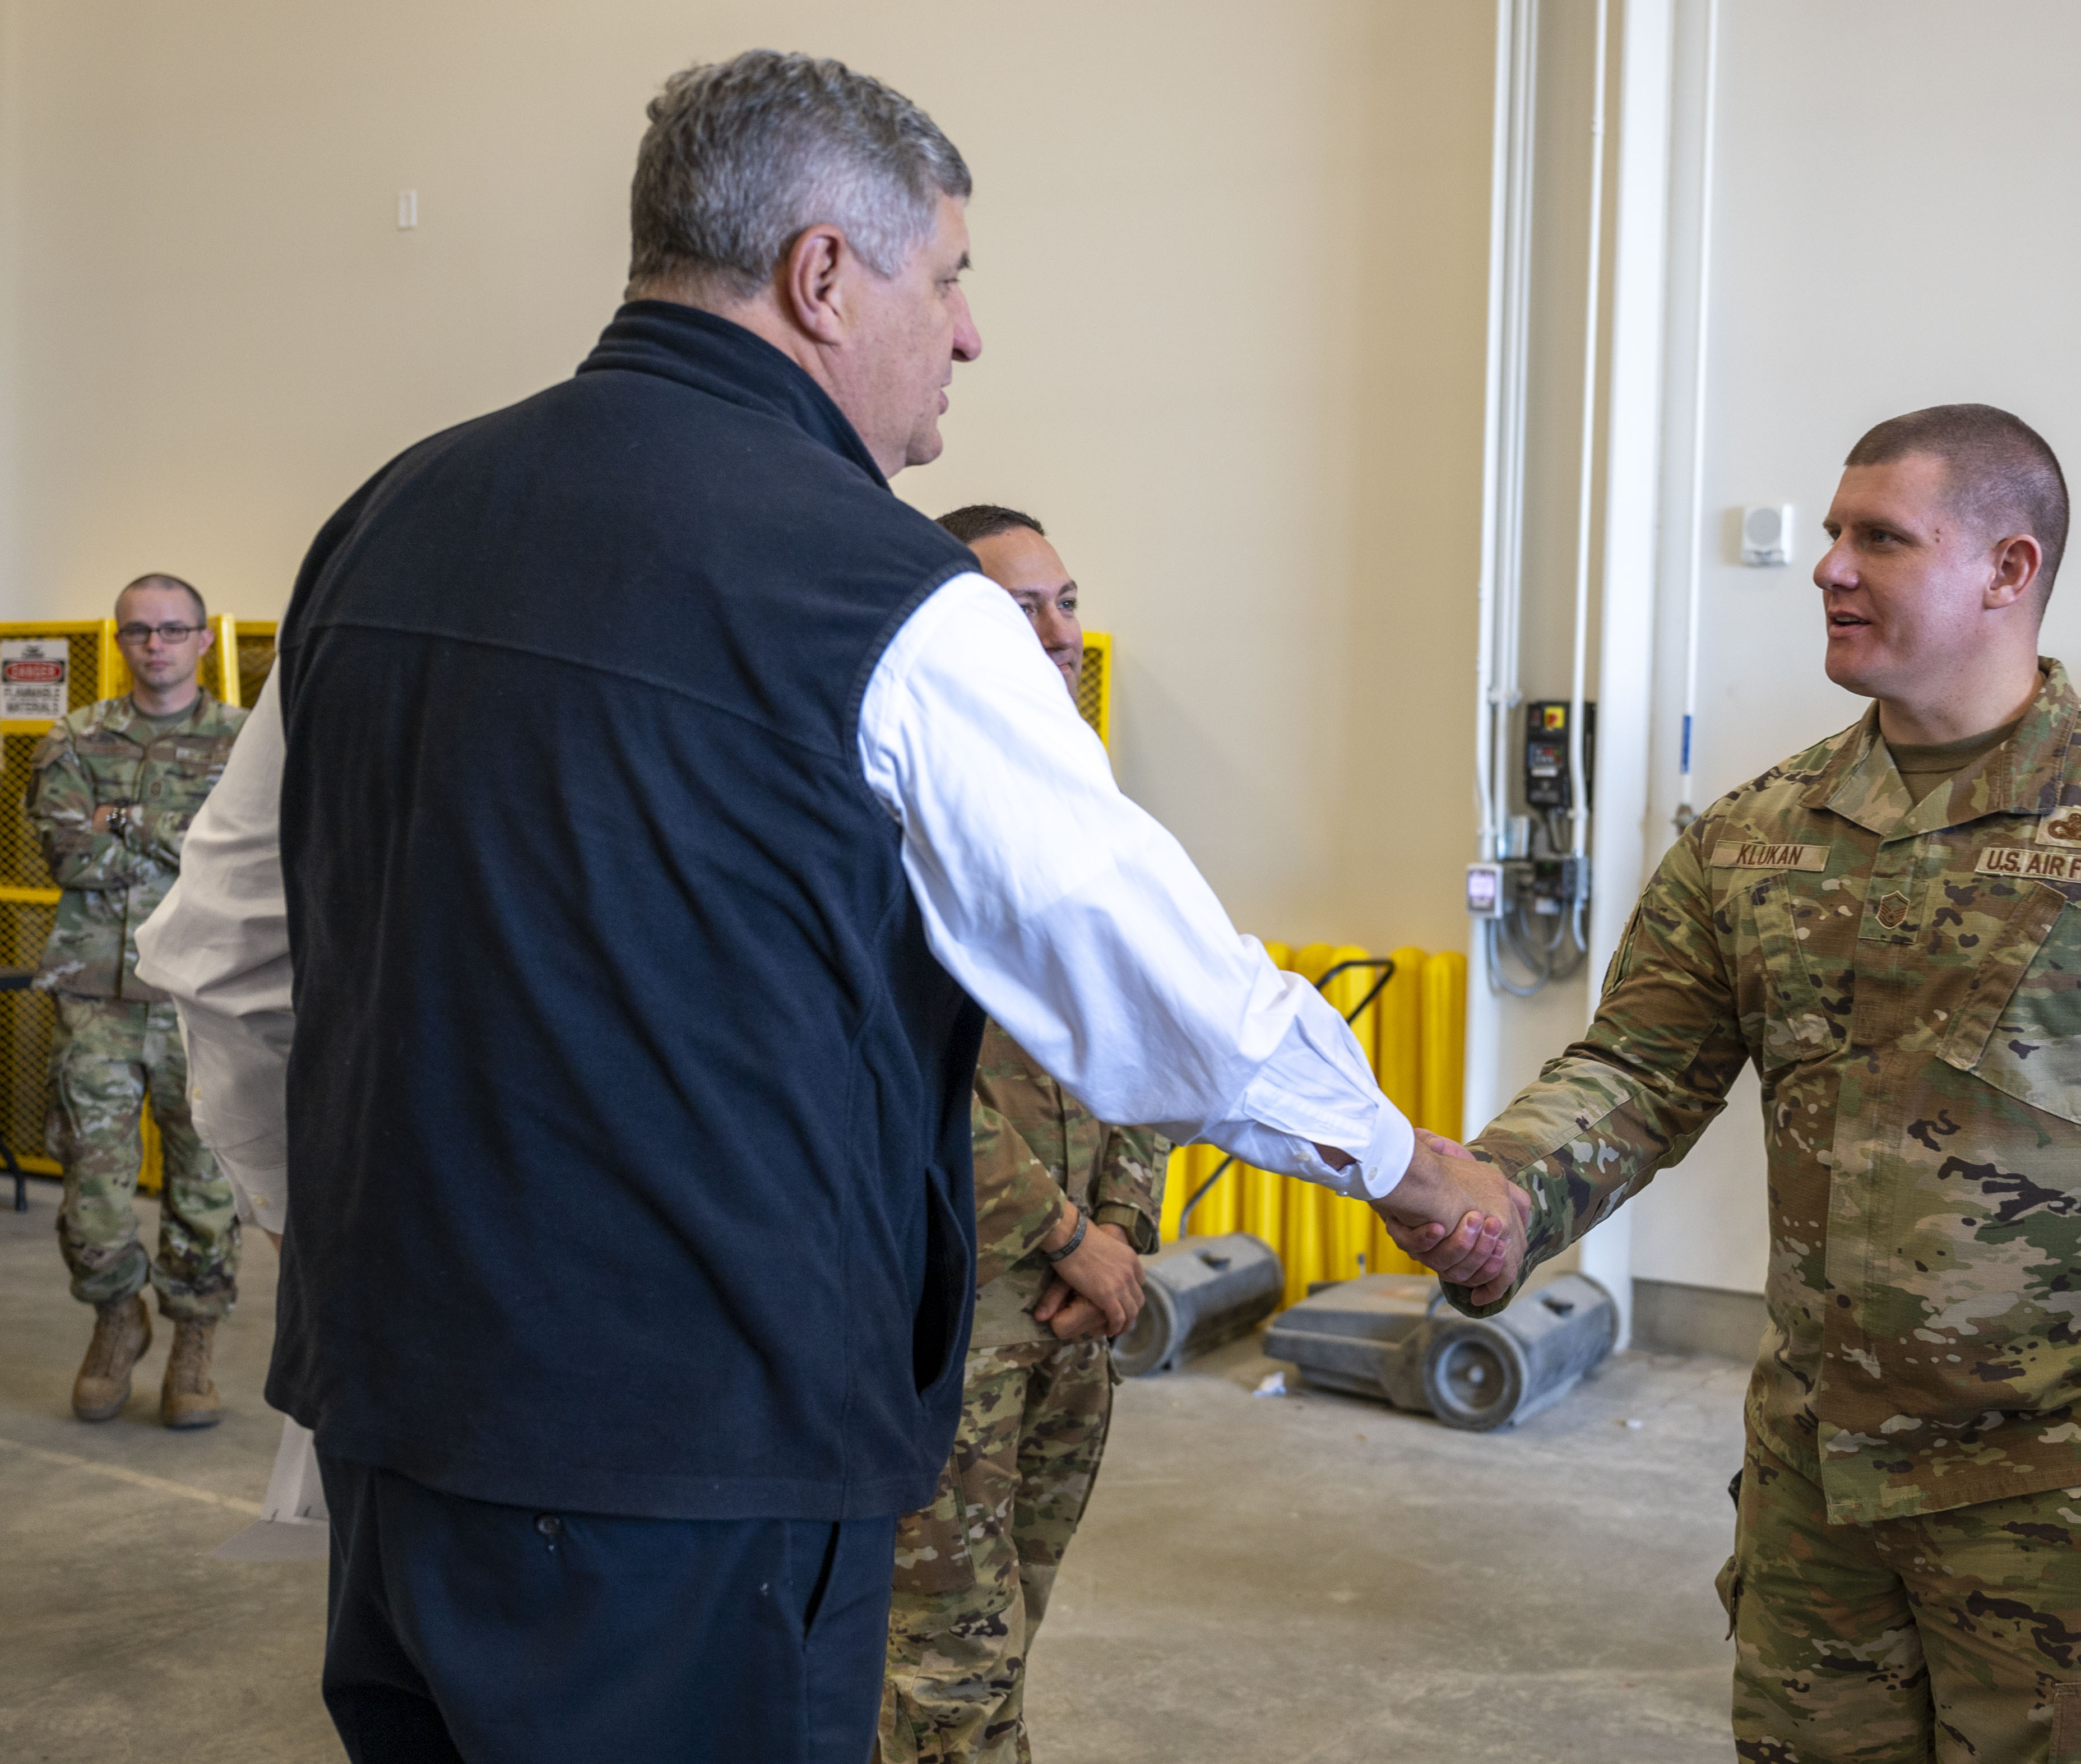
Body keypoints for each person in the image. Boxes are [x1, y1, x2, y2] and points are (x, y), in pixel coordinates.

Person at [132, 51, 1517, 1764]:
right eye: (949, 280)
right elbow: (1138, 968)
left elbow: (224, 950)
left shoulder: (384, 522)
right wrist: (1407, 1166)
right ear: (822, 275)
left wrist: (370, 1259)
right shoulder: (875, 588)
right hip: (694, 1474)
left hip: (392, 1422)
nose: (967, 335)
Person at [1396, 404, 2081, 1762]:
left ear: (2007, 568)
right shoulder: (1756, 839)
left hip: (2077, 1500)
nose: (1828, 567)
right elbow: (1635, 1067)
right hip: (1821, 1488)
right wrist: (1502, 1191)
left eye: (1880, 537)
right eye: (1829, 535)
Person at [879, 502, 1166, 1763]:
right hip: (947, 1309)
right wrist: (1062, 1232)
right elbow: (894, 1073)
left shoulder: (1092, 799)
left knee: (1010, 1625)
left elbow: (1151, 1030)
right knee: (947, 1654)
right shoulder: (892, 810)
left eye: (1066, 602)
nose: (1059, 634)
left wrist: (1123, 1227)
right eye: (1019, 609)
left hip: (1074, 1304)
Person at [27, 572, 247, 1429]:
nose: (154, 644)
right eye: (137, 632)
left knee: (207, 1179)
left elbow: (247, 862)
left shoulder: (250, 744)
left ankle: (194, 1340)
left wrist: (123, 819)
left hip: (207, 996)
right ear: (118, 643)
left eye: (172, 629)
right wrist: (179, 839)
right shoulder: (75, 736)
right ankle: (119, 1319)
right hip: (98, 997)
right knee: (92, 1184)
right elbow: (67, 854)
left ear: (202, 639)